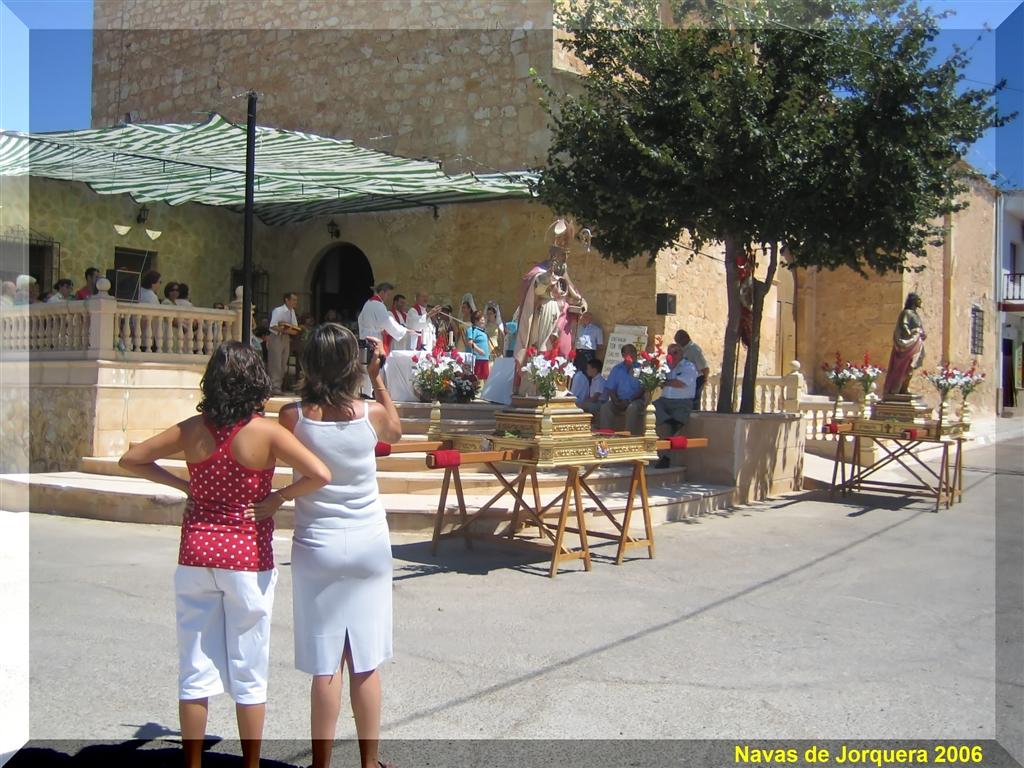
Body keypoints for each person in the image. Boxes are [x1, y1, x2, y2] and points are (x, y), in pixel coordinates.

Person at [118, 341, 331, 768]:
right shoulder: (266, 431)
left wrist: (183, 486)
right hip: (247, 556)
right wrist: (278, 498)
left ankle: (193, 762)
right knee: (249, 667)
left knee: (194, 666)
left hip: (197, 550)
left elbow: (132, 458)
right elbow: (320, 473)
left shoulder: (193, 429)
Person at [272, 325, 402, 768]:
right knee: (364, 660)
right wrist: (378, 377)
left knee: (326, 662)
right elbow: (397, 433)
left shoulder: (294, 417)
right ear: (352, 363)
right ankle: (369, 764)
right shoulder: (371, 414)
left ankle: (322, 765)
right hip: (367, 540)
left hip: (317, 543)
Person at [652, 343, 698, 468]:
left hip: (681, 402)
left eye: (675, 353)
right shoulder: (666, 367)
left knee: (678, 428)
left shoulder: (689, 367)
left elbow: (680, 383)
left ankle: (666, 457)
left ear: (681, 354)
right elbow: (658, 381)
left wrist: (665, 382)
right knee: (650, 409)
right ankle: (667, 421)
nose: (672, 355)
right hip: (664, 400)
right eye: (670, 353)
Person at [883, 292, 927, 396]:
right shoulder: (907, 313)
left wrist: (922, 333)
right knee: (906, 366)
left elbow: (919, 327)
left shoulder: (915, 314)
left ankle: (904, 388)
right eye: (918, 299)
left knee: (911, 367)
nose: (920, 302)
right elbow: (904, 325)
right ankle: (897, 389)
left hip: (917, 342)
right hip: (909, 342)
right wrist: (911, 333)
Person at [599, 344, 646, 434]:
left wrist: (629, 400)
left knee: (632, 408)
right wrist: (616, 401)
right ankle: (605, 434)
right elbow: (611, 388)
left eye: (634, 351)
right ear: (623, 355)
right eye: (630, 351)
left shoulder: (641, 369)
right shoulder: (617, 369)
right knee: (605, 408)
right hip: (619, 400)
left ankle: (628, 435)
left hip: (635, 400)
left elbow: (642, 389)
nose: (633, 354)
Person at [357, 282, 410, 356]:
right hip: (375, 339)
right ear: (382, 292)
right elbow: (387, 322)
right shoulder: (379, 305)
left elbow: (360, 319)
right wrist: (404, 330)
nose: (388, 297)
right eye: (388, 294)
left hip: (365, 338)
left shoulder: (368, 303)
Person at [268, 292, 300, 395]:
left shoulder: (292, 312)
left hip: (286, 338)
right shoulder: (278, 310)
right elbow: (272, 325)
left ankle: (278, 387)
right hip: (276, 337)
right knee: (275, 362)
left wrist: (290, 330)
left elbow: (295, 327)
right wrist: (285, 329)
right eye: (294, 300)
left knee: (283, 363)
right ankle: (274, 387)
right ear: (287, 300)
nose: (295, 302)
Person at [674, 330, 710, 410]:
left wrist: (705, 379)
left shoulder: (694, 350)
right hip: (685, 379)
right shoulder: (682, 350)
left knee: (694, 402)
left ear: (685, 339)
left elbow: (704, 367)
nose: (678, 344)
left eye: (678, 341)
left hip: (696, 379)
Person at [464, 309, 490, 380]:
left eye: (484, 319)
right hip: (476, 359)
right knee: (476, 379)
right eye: (481, 320)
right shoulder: (472, 330)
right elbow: (470, 342)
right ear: (476, 321)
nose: (484, 321)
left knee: (485, 378)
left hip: (484, 359)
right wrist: (479, 350)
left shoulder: (483, 332)